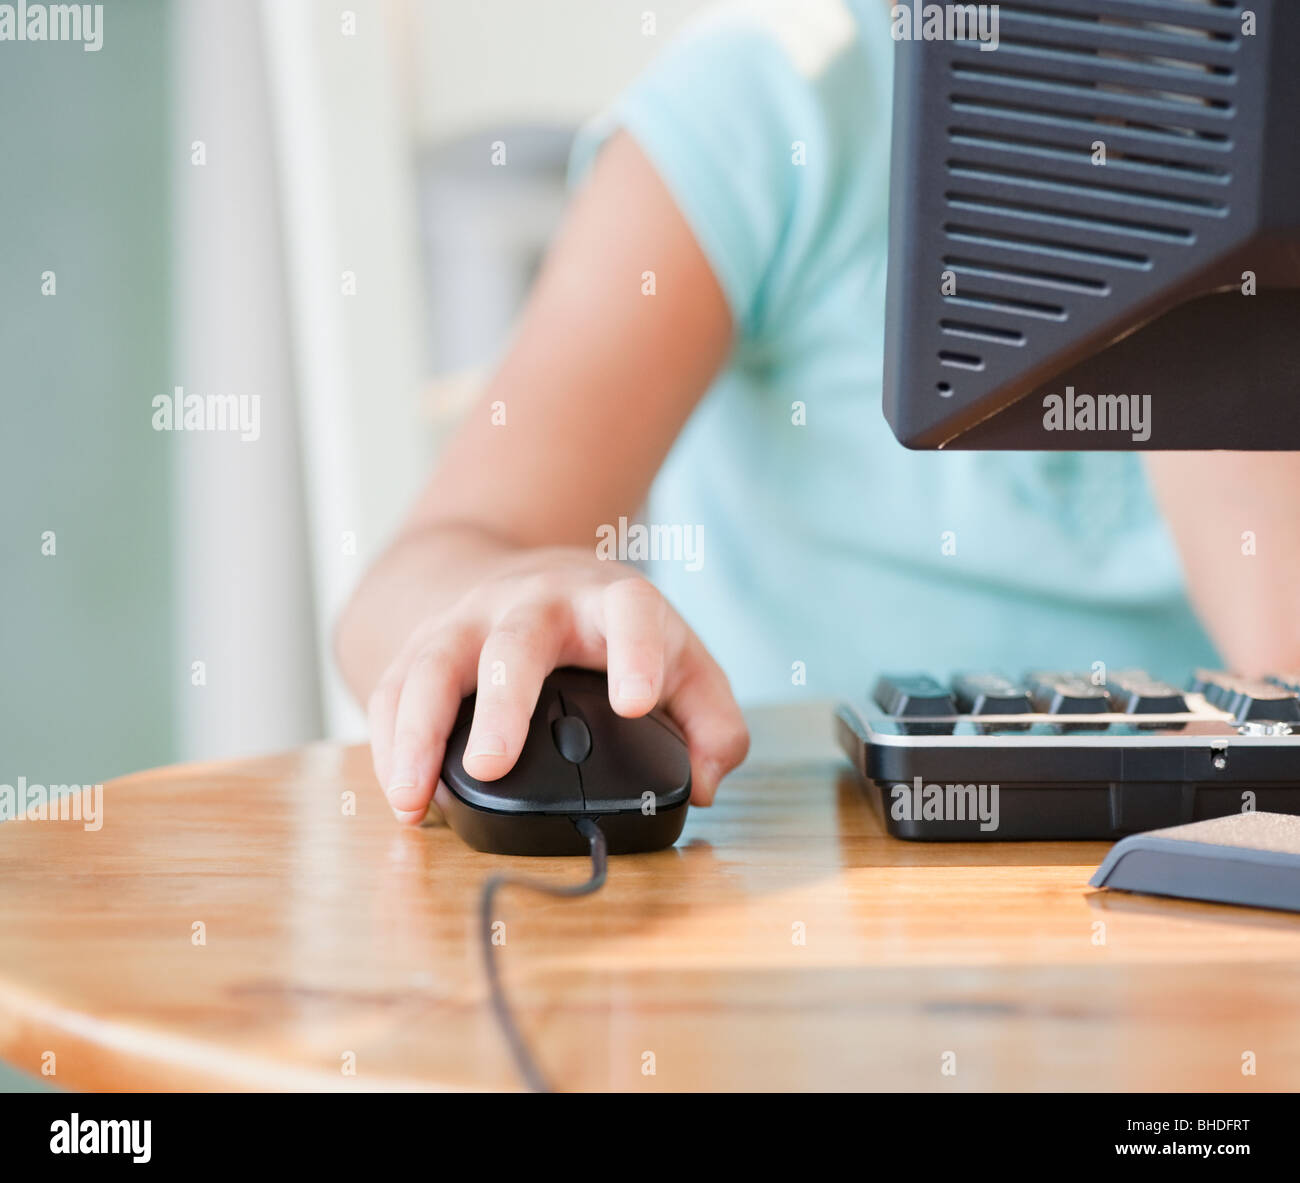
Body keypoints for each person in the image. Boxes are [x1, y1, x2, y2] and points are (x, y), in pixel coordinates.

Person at [336, 0, 1291, 825]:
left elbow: (1282, 665)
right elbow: (421, 570)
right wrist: (518, 595)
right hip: (805, 891)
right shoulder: (775, 99)